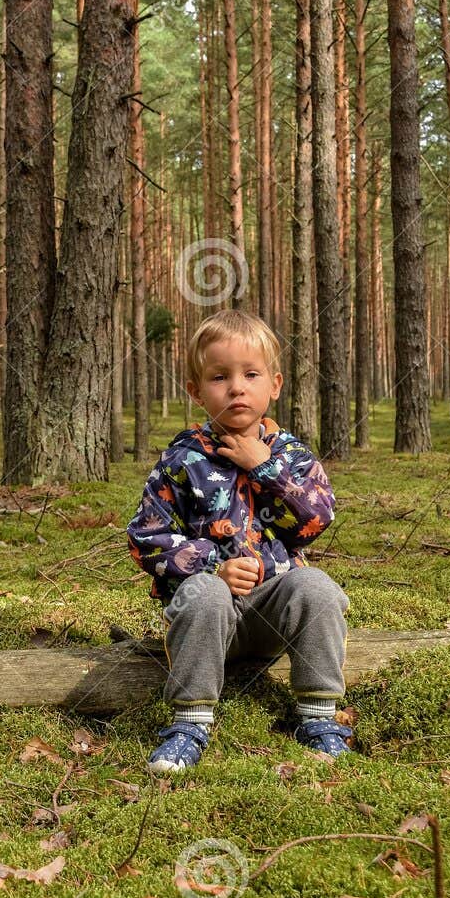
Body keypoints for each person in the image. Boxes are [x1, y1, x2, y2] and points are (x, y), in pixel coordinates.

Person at [125, 309, 353, 774]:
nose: (236, 388)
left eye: (250, 375)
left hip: (274, 613)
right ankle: (190, 722)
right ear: (196, 390)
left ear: (275, 384)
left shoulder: (291, 454)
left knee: (319, 589)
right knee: (207, 593)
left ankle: (319, 718)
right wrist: (212, 565)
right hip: (208, 618)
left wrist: (263, 467)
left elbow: (318, 518)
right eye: (219, 377)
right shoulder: (183, 458)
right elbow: (146, 537)